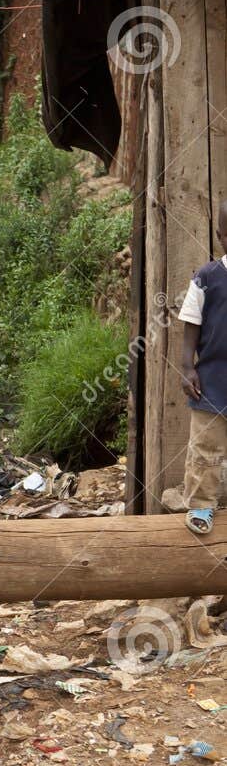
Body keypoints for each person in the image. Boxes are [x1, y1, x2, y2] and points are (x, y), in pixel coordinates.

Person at [179, 199, 227, 535]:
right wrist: (187, 366)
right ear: (221, 235)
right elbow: (191, 323)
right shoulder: (207, 277)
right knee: (206, 446)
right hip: (211, 379)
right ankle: (201, 506)